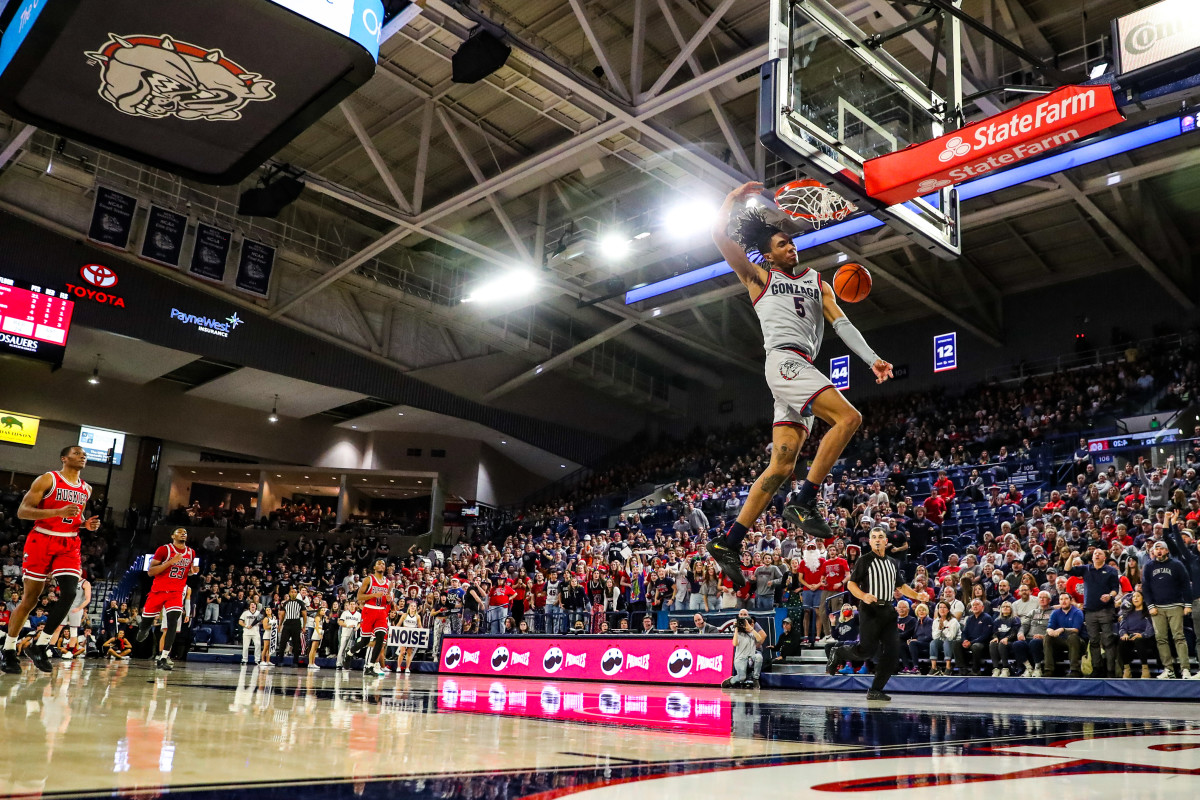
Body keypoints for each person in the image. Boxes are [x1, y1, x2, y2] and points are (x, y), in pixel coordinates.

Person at [704, 183, 893, 587]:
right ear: (768, 253)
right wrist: (730, 199)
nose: (791, 247)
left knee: (782, 465)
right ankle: (805, 500)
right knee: (848, 418)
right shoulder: (757, 276)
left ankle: (730, 541)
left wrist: (871, 358)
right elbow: (719, 236)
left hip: (798, 367)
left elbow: (842, 323)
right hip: (784, 361)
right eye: (782, 244)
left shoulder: (817, 281)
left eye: (792, 242)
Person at [2, 446, 100, 674]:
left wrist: (86, 524)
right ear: (63, 458)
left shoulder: (86, 488)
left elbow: (76, 516)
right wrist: (56, 512)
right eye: (77, 453)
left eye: (84, 454)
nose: (82, 456)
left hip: (69, 543)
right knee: (30, 600)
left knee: (69, 593)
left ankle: (41, 645)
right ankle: (8, 649)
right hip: (42, 540)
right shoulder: (48, 479)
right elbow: (23, 511)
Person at [826, 527, 927, 700]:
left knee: (893, 654)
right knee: (866, 650)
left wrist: (918, 595)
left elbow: (901, 587)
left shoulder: (892, 563)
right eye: (874, 537)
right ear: (870, 541)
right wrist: (863, 595)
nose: (878, 540)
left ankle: (875, 690)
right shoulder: (864, 560)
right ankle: (839, 652)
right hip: (870, 609)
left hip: (888, 610)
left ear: (886, 541)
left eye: (881, 537)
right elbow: (851, 584)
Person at [134, 527, 199, 671]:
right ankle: (144, 629)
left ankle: (164, 657)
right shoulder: (164, 550)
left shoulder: (191, 552)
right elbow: (151, 572)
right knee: (144, 626)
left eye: (186, 532)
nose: (183, 534)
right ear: (172, 536)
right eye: (180, 532)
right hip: (158, 591)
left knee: (172, 623)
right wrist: (171, 561)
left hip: (176, 592)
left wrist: (192, 572)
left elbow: (185, 572)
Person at [1066, 547, 1121, 678]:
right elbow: (1067, 570)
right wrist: (1071, 557)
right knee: (1094, 641)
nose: (1096, 555)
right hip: (1089, 611)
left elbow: (1115, 589)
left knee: (1108, 641)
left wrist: (1110, 595)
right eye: (1095, 553)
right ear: (1092, 558)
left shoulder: (1111, 570)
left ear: (1104, 557)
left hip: (1106, 610)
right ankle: (1097, 668)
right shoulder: (1086, 568)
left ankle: (1110, 670)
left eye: (1099, 553)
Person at [1142, 539, 1191, 679]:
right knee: (1161, 639)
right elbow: (1146, 588)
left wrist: (1187, 604)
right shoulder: (1149, 566)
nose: (1158, 550)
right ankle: (1168, 670)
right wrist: (1150, 605)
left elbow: (1186, 585)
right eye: (1156, 548)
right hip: (1157, 608)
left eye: (1161, 548)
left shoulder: (1177, 565)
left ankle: (1185, 669)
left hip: (1175, 606)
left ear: (1167, 550)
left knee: (1179, 637)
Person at [356, 559, 392, 676]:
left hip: (381, 612)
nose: (382, 565)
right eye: (379, 563)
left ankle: (372, 665)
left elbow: (387, 602)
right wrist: (373, 595)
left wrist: (388, 601)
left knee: (380, 639)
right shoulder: (368, 579)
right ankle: (352, 652)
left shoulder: (388, 583)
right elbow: (359, 596)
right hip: (369, 610)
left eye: (383, 564)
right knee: (366, 641)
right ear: (374, 568)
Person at [1044, 593, 1084, 677]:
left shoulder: (1077, 612)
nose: (1063, 601)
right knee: (1047, 637)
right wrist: (1050, 631)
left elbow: (1076, 630)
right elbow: (1050, 627)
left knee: (1072, 637)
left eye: (1066, 599)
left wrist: (1063, 629)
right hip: (1061, 640)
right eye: (1061, 599)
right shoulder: (1055, 613)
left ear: (1071, 601)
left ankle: (1074, 670)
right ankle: (1048, 670)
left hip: (1077, 640)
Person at [723, 609, 766, 688]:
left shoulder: (752, 630)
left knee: (758, 657)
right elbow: (735, 643)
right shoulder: (738, 630)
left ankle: (755, 679)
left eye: (745, 615)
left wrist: (750, 628)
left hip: (751, 657)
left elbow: (760, 639)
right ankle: (730, 681)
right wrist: (736, 629)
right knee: (742, 677)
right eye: (741, 614)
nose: (743, 617)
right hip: (740, 658)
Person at [1119, 590, 1156, 679]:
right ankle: (1127, 669)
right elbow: (1122, 628)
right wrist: (1124, 634)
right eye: (1133, 597)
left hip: (1145, 638)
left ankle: (1145, 669)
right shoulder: (1127, 614)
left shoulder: (1148, 613)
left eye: (1138, 596)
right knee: (1122, 641)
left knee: (1139, 640)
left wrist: (1142, 635)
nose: (1135, 598)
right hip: (1130, 637)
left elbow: (1150, 629)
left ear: (1143, 599)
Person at [957, 599, 994, 675]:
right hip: (970, 642)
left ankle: (976, 670)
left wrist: (971, 642)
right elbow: (964, 632)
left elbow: (986, 635)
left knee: (976, 646)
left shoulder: (987, 618)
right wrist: (965, 640)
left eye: (977, 605)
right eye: (973, 605)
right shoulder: (969, 619)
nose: (975, 607)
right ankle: (962, 668)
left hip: (982, 643)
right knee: (956, 643)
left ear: (982, 607)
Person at [61, 574, 92, 660]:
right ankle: (50, 648)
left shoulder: (85, 583)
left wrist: (79, 608)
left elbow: (87, 599)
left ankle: (70, 652)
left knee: (73, 630)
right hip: (66, 607)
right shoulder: (69, 581)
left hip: (76, 609)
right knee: (58, 628)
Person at [989, 601, 1021, 677]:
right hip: (1000, 641)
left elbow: (1015, 632)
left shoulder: (1015, 619)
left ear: (1011, 609)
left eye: (1007, 606)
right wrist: (995, 637)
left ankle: (1005, 668)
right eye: (1003, 606)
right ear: (1001, 609)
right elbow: (994, 632)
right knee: (992, 644)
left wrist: (1007, 638)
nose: (1005, 608)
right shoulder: (997, 620)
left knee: (1002, 644)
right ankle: (996, 668)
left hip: (1011, 642)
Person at [277, 588, 307, 667]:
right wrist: (280, 625)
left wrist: (304, 626)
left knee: (296, 643)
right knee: (283, 642)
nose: (293, 593)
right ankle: (280, 660)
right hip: (287, 623)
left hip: (296, 623)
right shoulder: (286, 603)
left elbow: (304, 615)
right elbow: (282, 615)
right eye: (292, 592)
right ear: (289, 593)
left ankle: (295, 662)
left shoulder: (300, 603)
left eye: (295, 592)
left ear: (297, 594)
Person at [928, 601, 959, 676]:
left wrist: (944, 628)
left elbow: (951, 637)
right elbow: (935, 637)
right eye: (940, 607)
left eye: (944, 607)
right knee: (933, 642)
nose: (942, 609)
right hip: (942, 642)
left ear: (948, 610)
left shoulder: (953, 621)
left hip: (954, 642)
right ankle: (934, 667)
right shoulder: (936, 621)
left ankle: (948, 667)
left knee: (947, 642)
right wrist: (939, 628)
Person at [902, 602, 933, 674]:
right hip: (918, 643)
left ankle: (916, 667)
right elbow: (915, 636)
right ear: (917, 612)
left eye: (923, 610)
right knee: (902, 645)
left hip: (927, 643)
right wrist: (910, 639)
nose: (921, 612)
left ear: (926, 611)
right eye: (919, 610)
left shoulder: (929, 621)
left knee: (913, 643)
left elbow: (929, 636)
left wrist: (915, 640)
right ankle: (906, 667)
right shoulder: (917, 622)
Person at [398, 600, 422, 674]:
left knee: (409, 652)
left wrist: (424, 633)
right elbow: (399, 624)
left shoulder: (418, 616)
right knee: (402, 652)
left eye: (414, 606)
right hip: (404, 635)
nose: (413, 607)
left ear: (416, 608)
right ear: (409, 607)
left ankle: (407, 668)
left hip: (412, 635)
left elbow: (419, 626)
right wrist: (393, 631)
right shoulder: (404, 615)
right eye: (411, 606)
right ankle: (398, 667)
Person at [337, 600, 361, 670]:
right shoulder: (345, 613)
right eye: (351, 604)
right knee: (342, 648)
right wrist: (348, 625)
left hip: (353, 634)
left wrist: (357, 627)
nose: (352, 606)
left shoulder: (358, 614)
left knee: (350, 650)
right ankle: (339, 664)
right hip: (345, 633)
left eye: (354, 604)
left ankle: (346, 664)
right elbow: (340, 622)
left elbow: (360, 623)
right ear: (349, 605)